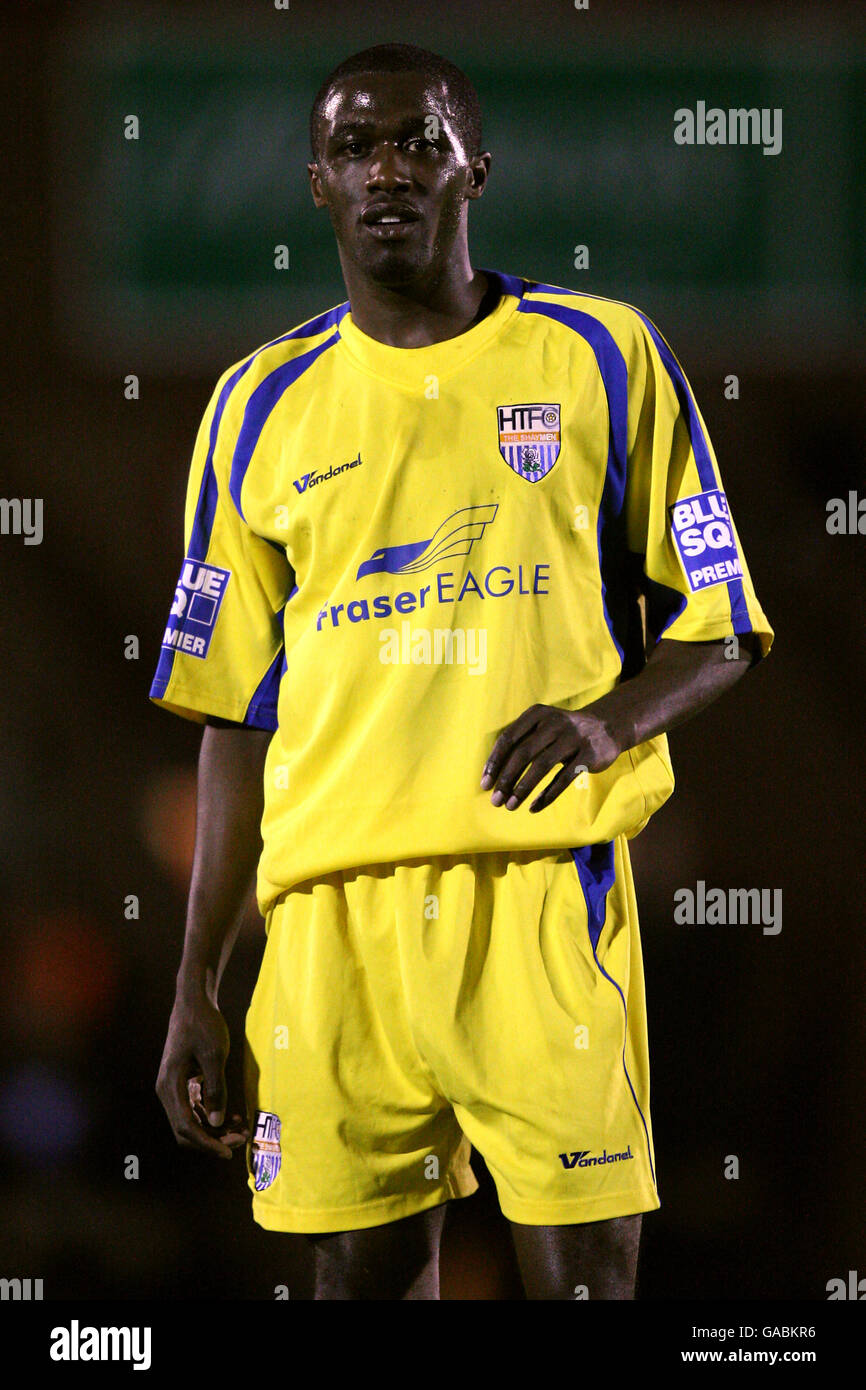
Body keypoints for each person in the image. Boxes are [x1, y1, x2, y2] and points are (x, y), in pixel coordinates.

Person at [152, 42, 774, 1300]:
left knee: (587, 1280)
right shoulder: (254, 404)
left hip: (543, 898)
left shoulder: (598, 354)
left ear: (473, 170)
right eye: (354, 146)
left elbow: (723, 622)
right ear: (315, 185)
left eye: (418, 141)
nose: (387, 168)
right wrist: (197, 981)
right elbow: (229, 711)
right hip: (329, 928)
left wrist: (607, 723)